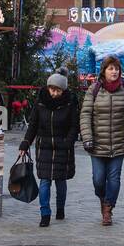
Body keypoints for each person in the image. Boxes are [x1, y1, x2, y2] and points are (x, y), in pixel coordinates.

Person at [19, 70, 80, 228]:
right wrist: (25, 143)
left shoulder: (69, 103)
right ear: (48, 88)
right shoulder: (40, 103)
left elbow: (74, 126)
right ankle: (45, 213)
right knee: (44, 181)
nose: (54, 93)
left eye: (58, 90)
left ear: (63, 90)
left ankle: (60, 208)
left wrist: (68, 142)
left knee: (61, 181)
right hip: (44, 146)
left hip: (62, 147)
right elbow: (33, 125)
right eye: (52, 89)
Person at [79, 56, 124, 226]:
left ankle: (108, 208)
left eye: (116, 68)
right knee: (98, 179)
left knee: (114, 179)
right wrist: (87, 137)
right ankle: (103, 199)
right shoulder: (94, 89)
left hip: (119, 142)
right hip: (97, 143)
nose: (114, 72)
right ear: (104, 71)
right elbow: (85, 114)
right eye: (110, 68)